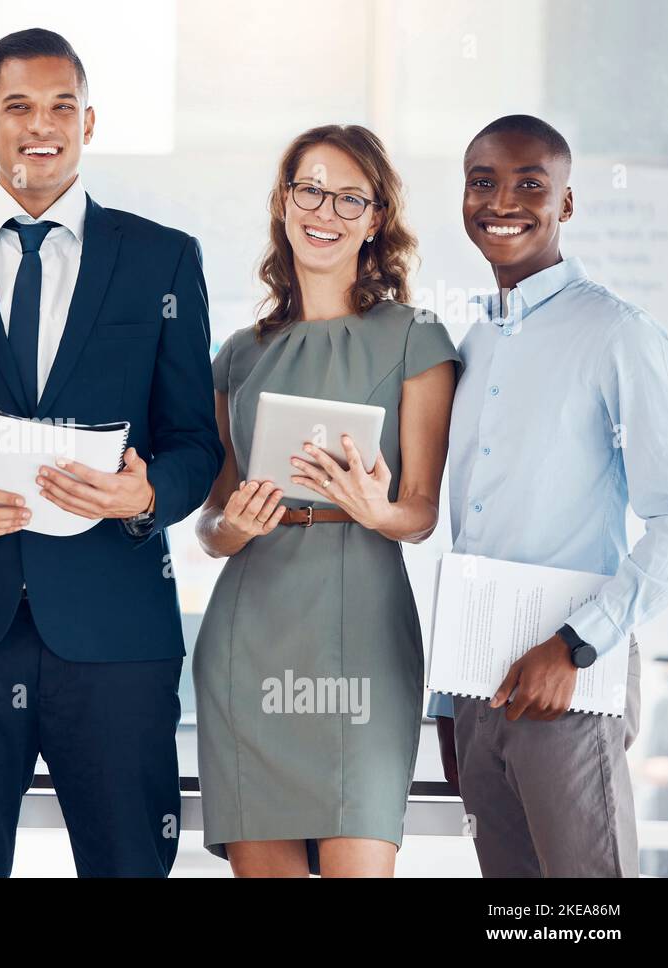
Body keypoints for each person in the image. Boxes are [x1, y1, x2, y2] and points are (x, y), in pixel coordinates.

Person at [0, 28, 222, 877]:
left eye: (62, 106)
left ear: (89, 122)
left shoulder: (163, 259)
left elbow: (193, 444)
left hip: (117, 632)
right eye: (20, 107)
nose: (42, 124)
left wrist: (144, 498)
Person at [194, 124, 460, 877]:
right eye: (310, 190)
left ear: (376, 219)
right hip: (250, 636)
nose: (326, 211)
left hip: (362, 637)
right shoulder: (239, 354)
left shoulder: (416, 337)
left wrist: (378, 511)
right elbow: (210, 524)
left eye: (351, 198)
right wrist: (231, 529)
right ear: (284, 202)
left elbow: (420, 510)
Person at [430, 114, 668, 877]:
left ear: (565, 204)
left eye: (531, 183)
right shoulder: (471, 344)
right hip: (476, 687)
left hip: (569, 679)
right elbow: (468, 534)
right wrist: (449, 700)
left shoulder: (616, 333)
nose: (504, 200)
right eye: (483, 182)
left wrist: (576, 643)